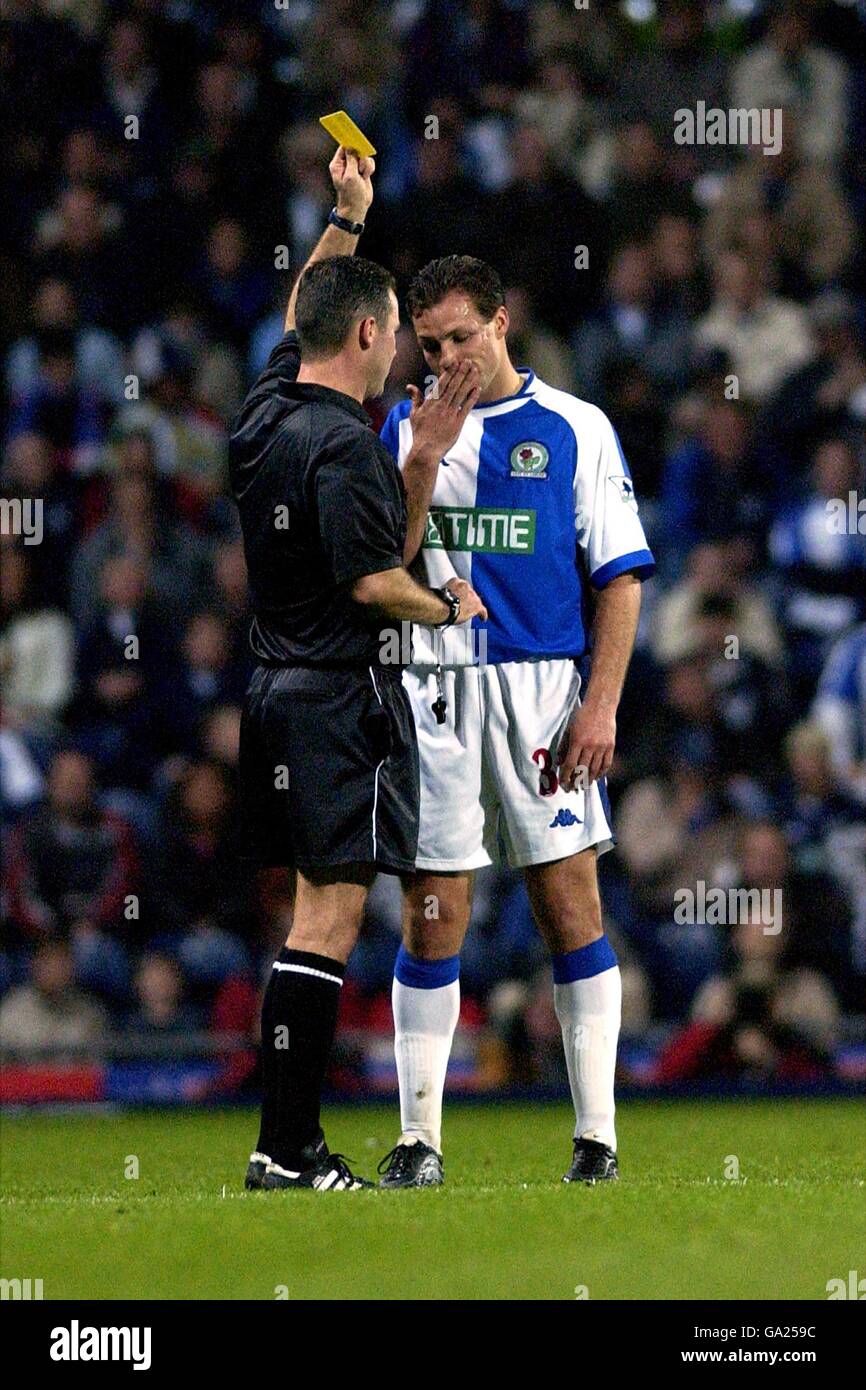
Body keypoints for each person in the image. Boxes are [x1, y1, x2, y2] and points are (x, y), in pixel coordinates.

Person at [229, 147, 486, 1192]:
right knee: (326, 923)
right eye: (393, 336)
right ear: (377, 333)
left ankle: (278, 1141)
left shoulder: (262, 413)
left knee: (305, 919)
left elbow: (305, 316)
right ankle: (287, 1147)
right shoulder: (339, 445)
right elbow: (376, 583)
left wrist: (345, 215)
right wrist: (447, 606)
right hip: (336, 696)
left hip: (269, 693)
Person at [377, 255, 655, 1186]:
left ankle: (598, 1137)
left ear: (501, 324)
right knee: (433, 915)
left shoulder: (577, 427)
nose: (448, 356)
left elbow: (618, 576)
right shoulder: (407, 426)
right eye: (430, 343)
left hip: (543, 690)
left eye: (462, 336)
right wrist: (423, 453)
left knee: (569, 903)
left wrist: (602, 701)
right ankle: (419, 1142)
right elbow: (388, 561)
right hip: (435, 684)